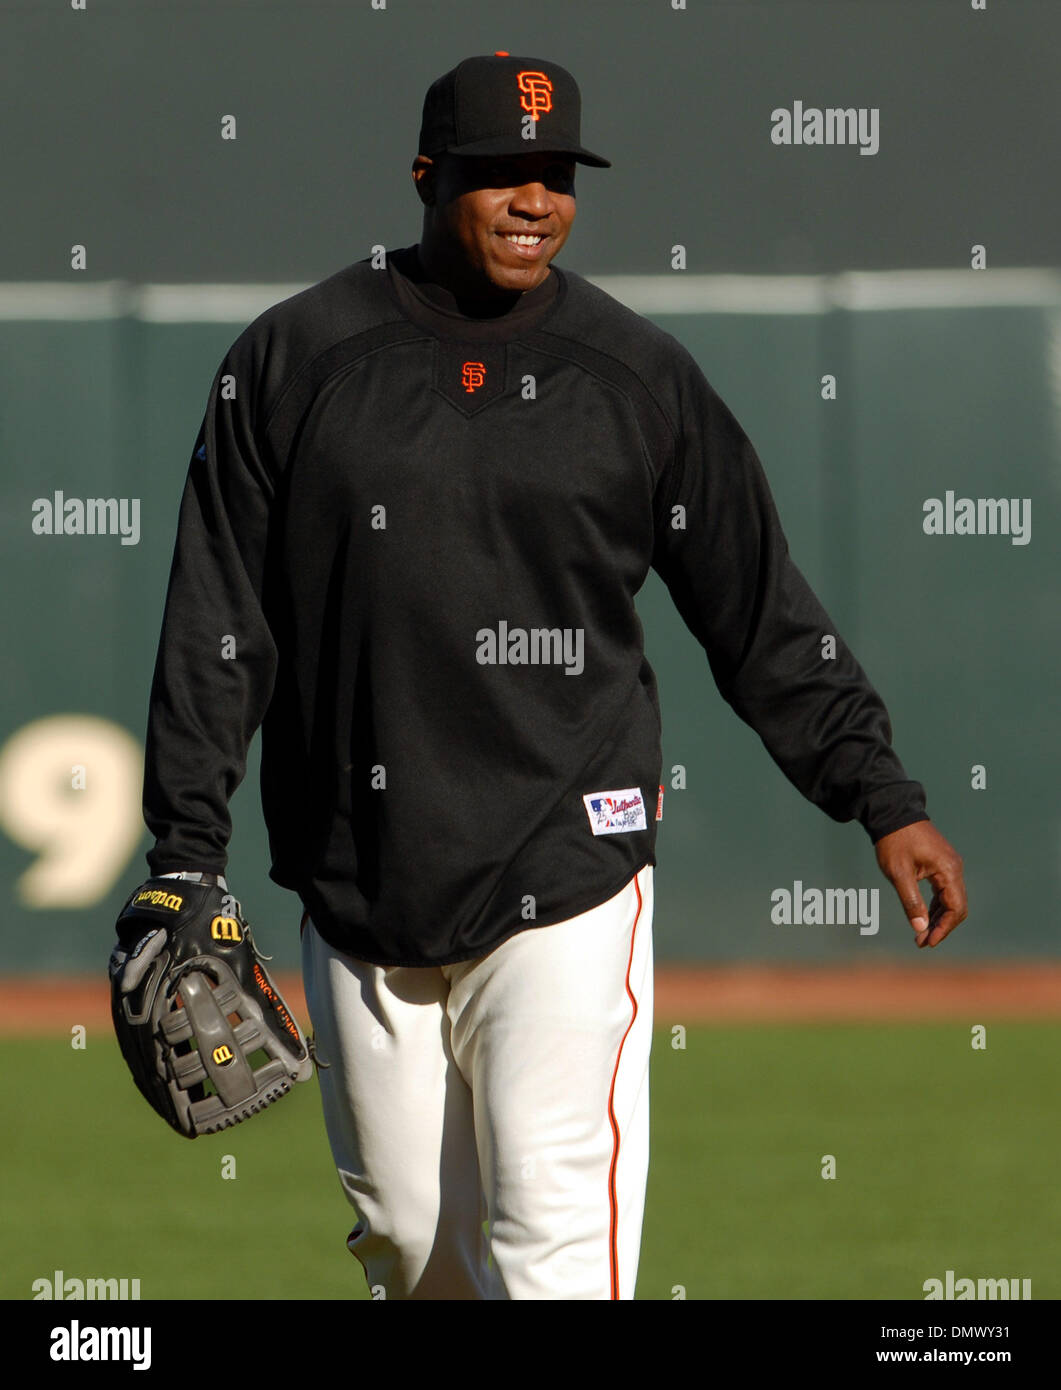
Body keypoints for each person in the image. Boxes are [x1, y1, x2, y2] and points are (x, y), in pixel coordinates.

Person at [140, 52, 968, 1300]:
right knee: (412, 1247)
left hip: (568, 861)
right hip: (362, 877)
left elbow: (755, 606)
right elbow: (218, 618)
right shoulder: (296, 359)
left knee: (552, 1242)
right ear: (427, 177)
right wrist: (184, 854)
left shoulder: (633, 377)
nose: (533, 197)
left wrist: (881, 794)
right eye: (498, 172)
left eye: (555, 173)